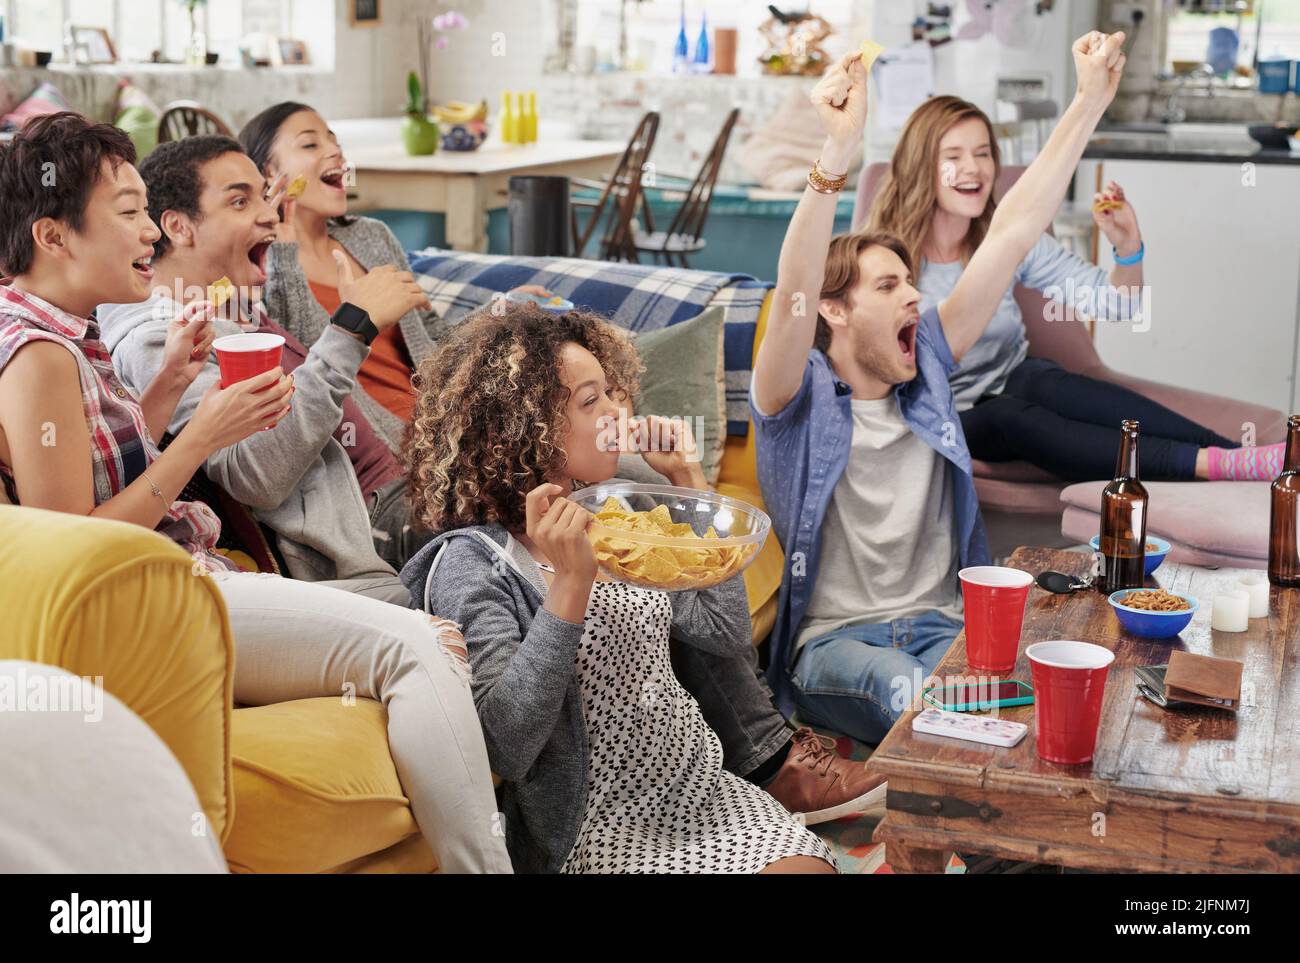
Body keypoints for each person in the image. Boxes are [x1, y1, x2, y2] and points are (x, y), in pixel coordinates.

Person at [0, 112, 512, 873]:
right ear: (54, 236)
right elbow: (78, 542)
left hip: (188, 578)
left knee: (431, 641)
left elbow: (97, 473)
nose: (150, 234)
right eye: (130, 212)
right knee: (418, 650)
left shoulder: (59, 331)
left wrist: (169, 387)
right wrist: (201, 436)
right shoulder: (39, 353)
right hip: (160, 602)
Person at [750, 33, 1128, 744]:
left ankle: (988, 844)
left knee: (1052, 697)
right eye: (889, 287)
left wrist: (1089, 102)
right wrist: (836, 158)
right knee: (928, 699)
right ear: (835, 310)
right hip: (837, 647)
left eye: (912, 285)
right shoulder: (791, 402)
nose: (914, 301)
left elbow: (1012, 230)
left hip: (941, 627)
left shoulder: (925, 367)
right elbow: (795, 284)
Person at [401, 303, 840, 873]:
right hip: (592, 823)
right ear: (523, 431)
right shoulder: (473, 564)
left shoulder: (622, 517)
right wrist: (571, 588)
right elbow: (507, 744)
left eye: (611, 392)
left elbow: (725, 634)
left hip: (697, 788)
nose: (618, 410)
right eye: (591, 401)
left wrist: (687, 481)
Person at [865, 94, 1281, 483]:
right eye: (953, 157)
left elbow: (1119, 305)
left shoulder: (1006, 238)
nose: (974, 168)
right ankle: (1213, 465)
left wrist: (1127, 248)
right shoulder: (884, 260)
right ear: (921, 167)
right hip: (944, 412)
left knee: (1045, 380)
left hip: (1015, 382)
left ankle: (1238, 458)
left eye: (983, 153)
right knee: (1009, 416)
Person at [98, 135, 429, 601]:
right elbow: (257, 476)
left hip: (399, 482)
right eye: (238, 200)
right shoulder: (155, 336)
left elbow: (310, 345)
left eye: (265, 196)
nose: (269, 213)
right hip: (376, 520)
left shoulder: (224, 299)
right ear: (178, 226)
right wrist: (353, 327)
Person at [239, 103, 557, 565]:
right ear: (268, 174)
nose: (335, 153)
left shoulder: (371, 236)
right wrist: (285, 251)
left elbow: (431, 336)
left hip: (447, 427)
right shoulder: (261, 264)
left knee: (596, 473)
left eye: (335, 141)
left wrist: (498, 310)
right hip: (391, 461)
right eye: (311, 143)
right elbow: (308, 361)